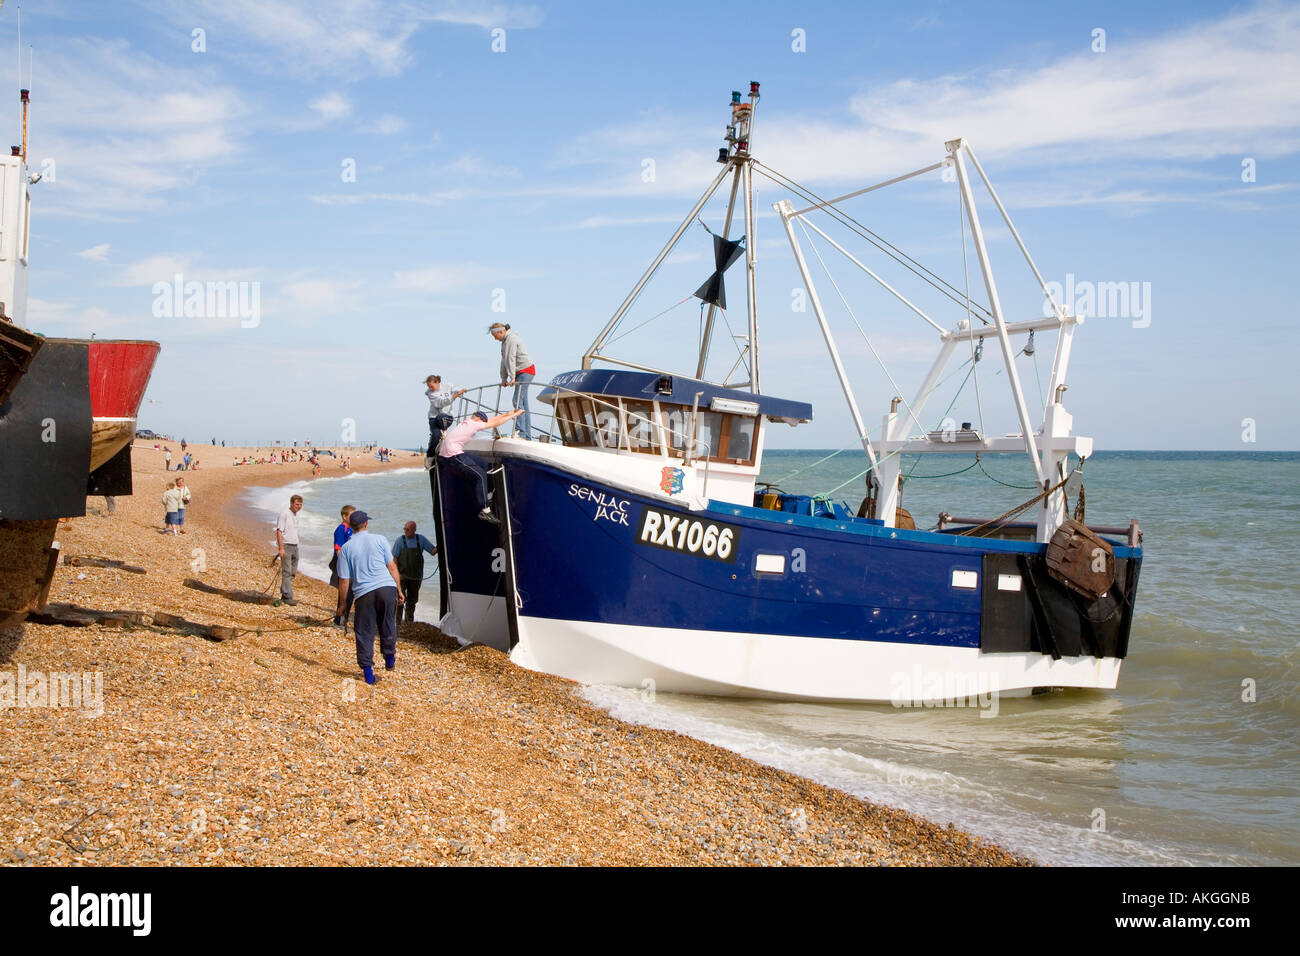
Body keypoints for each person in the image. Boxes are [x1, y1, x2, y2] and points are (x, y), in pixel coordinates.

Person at [335, 510, 404, 685]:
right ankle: (389, 659)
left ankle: (368, 672)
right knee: (387, 623)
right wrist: (399, 589)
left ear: (350, 527)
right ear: (366, 524)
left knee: (364, 632)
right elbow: (392, 567)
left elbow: (344, 580)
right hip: (386, 587)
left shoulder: (346, 549)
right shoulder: (380, 539)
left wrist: (343, 605)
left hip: (364, 592)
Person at [438, 408, 522, 523]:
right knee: (480, 476)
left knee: (483, 463)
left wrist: (509, 413)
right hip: (452, 457)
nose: (483, 424)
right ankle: (485, 510)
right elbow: (495, 423)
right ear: (478, 419)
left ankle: (487, 493)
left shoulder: (468, 422)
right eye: (482, 421)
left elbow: (494, 420)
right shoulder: (473, 424)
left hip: (451, 454)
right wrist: (515, 415)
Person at [489, 322, 536, 439]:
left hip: (526, 371)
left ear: (501, 332)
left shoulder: (511, 339)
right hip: (521, 372)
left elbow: (510, 358)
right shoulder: (505, 342)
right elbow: (504, 361)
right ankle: (527, 434)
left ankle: (521, 432)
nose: (495, 339)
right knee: (523, 403)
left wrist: (512, 376)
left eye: (495, 336)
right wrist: (503, 378)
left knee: (517, 400)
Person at [392, 521, 437, 623]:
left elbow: (433, 552)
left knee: (412, 601)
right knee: (400, 599)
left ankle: (409, 621)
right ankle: (397, 621)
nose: (405, 531)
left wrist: (443, 543)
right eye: (405, 529)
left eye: (408, 529)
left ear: (414, 530)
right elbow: (394, 559)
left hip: (416, 577)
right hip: (402, 576)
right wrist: (397, 574)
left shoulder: (420, 539)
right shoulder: (400, 540)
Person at [329, 505, 357, 628]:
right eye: (352, 515)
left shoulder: (352, 529)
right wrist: (344, 565)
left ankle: (344, 617)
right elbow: (338, 549)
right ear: (344, 516)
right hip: (344, 566)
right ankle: (339, 618)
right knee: (344, 593)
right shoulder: (341, 529)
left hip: (352, 566)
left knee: (352, 593)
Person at [425, 374, 467, 454]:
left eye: (431, 386)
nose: (430, 388)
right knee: (435, 436)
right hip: (434, 418)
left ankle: (444, 431)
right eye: (428, 387)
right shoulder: (430, 394)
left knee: (442, 416)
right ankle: (430, 456)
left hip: (447, 417)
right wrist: (454, 396)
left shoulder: (448, 386)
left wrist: (459, 392)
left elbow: (455, 390)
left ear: (437, 382)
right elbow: (440, 403)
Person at [275, 494, 304, 606]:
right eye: (297, 504)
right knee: (286, 572)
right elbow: (279, 531)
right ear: (291, 503)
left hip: (295, 545)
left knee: (292, 572)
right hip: (286, 545)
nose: (298, 506)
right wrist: (281, 548)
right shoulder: (284, 514)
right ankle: (287, 596)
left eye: (300, 504)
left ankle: (285, 592)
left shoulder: (297, 515)